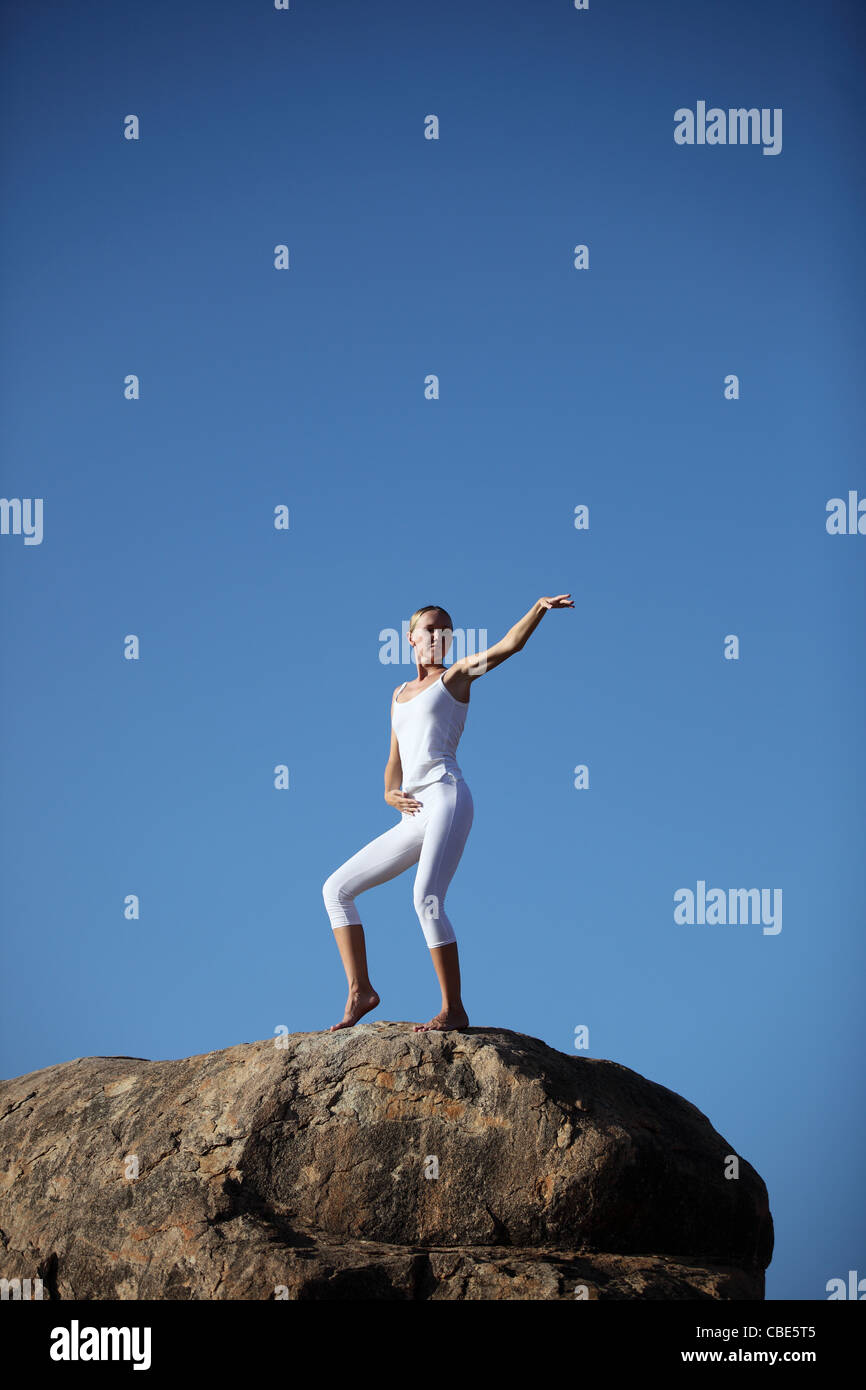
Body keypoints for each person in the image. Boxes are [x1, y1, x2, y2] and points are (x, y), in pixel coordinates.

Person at [322, 595, 574, 1032]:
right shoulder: (399, 695)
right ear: (411, 638)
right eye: (430, 629)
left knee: (426, 898)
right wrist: (388, 792)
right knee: (336, 889)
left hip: (447, 797)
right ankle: (360, 991)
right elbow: (394, 758)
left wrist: (538, 609)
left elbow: (507, 647)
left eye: (446, 631)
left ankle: (453, 1008)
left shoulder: (456, 678)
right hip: (413, 812)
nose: (438, 636)